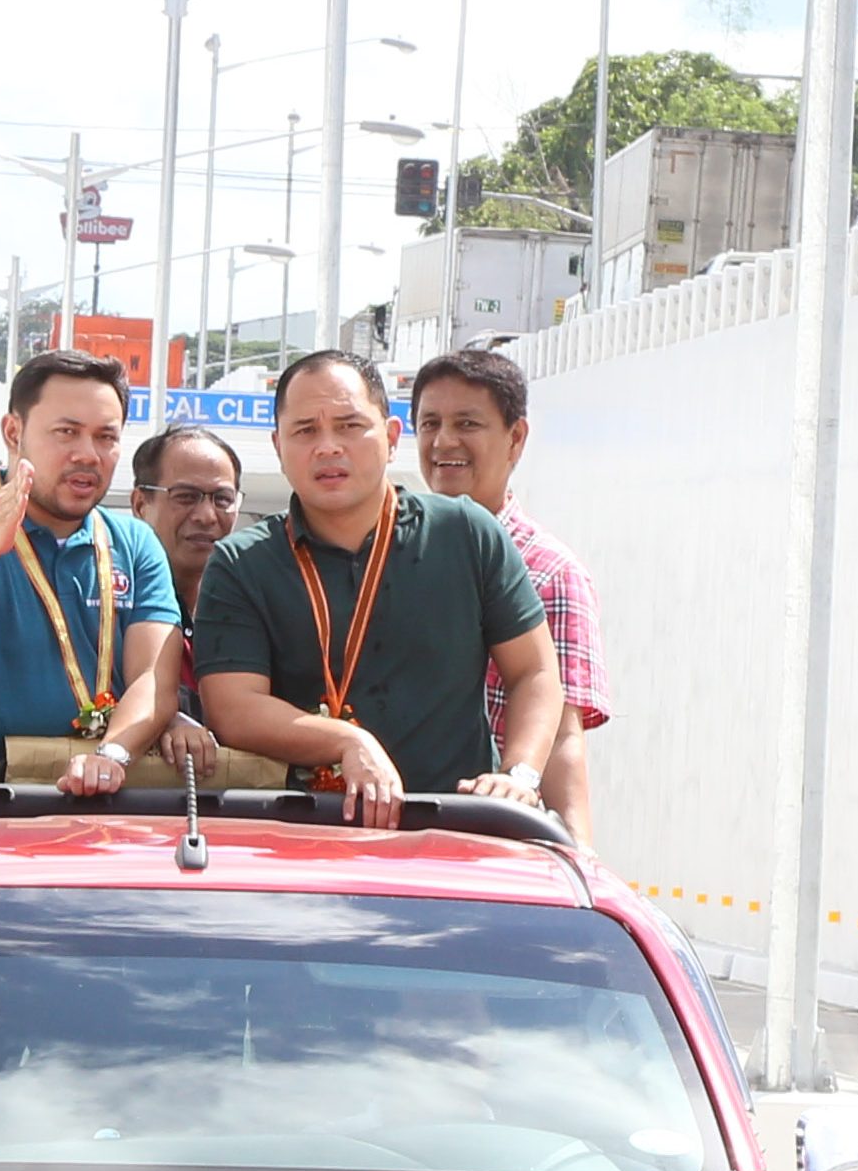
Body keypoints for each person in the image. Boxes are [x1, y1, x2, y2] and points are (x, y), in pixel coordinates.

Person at [189, 350, 563, 827]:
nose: (328, 447)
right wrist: (347, 741)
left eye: (349, 425)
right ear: (278, 446)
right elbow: (233, 707)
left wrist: (522, 774)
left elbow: (533, 670)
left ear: (390, 437)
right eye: (305, 431)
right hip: (302, 835)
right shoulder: (242, 562)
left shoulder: (467, 533)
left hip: (457, 833)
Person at [0, 353, 183, 791]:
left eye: (106, 437)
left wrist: (110, 756)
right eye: (66, 432)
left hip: (102, 810)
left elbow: (153, 681)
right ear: (13, 432)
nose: (88, 454)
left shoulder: (134, 543)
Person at [400, 346, 610, 844]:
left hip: (490, 842)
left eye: (467, 424)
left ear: (516, 439)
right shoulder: (384, 554)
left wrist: (581, 863)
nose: (444, 441)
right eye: (430, 424)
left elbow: (562, 737)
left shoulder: (551, 573)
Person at [125, 420, 246, 719]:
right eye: (186, 497)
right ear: (141, 504)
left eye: (222, 499)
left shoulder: (251, 608)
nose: (206, 516)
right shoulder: (112, 607)